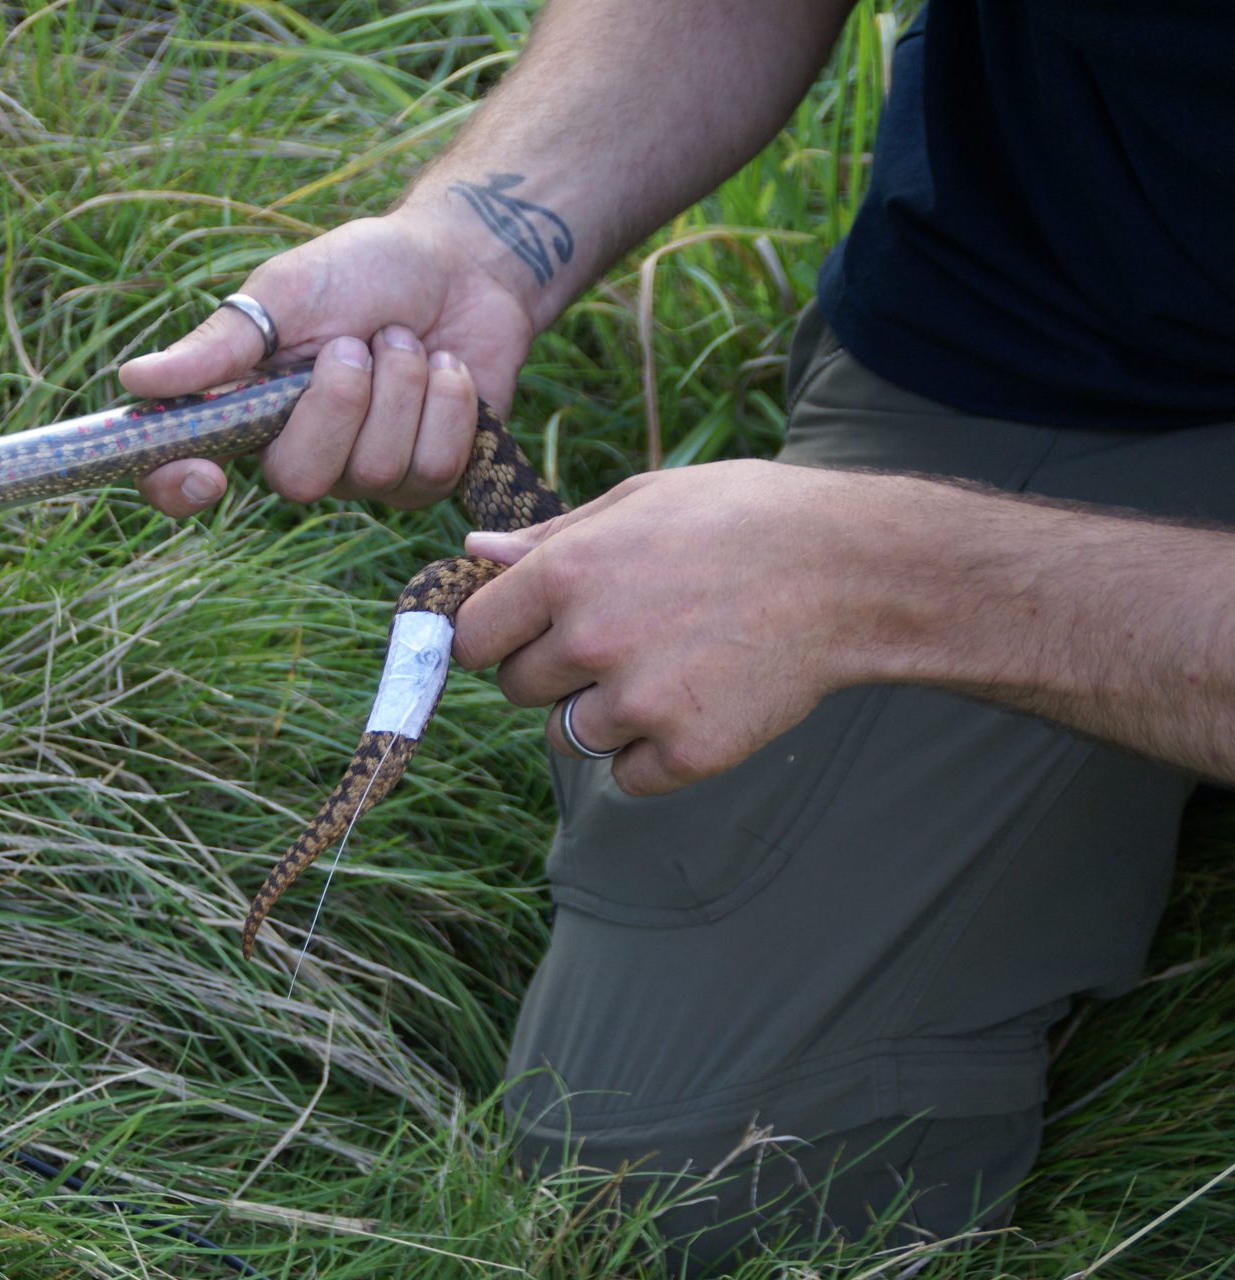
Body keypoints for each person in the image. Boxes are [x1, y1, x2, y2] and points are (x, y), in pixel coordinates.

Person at [118, 0, 1235, 1260]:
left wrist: (881, 577)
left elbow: (881, 577)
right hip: (1086, 343)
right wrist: (482, 238)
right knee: (678, 1177)